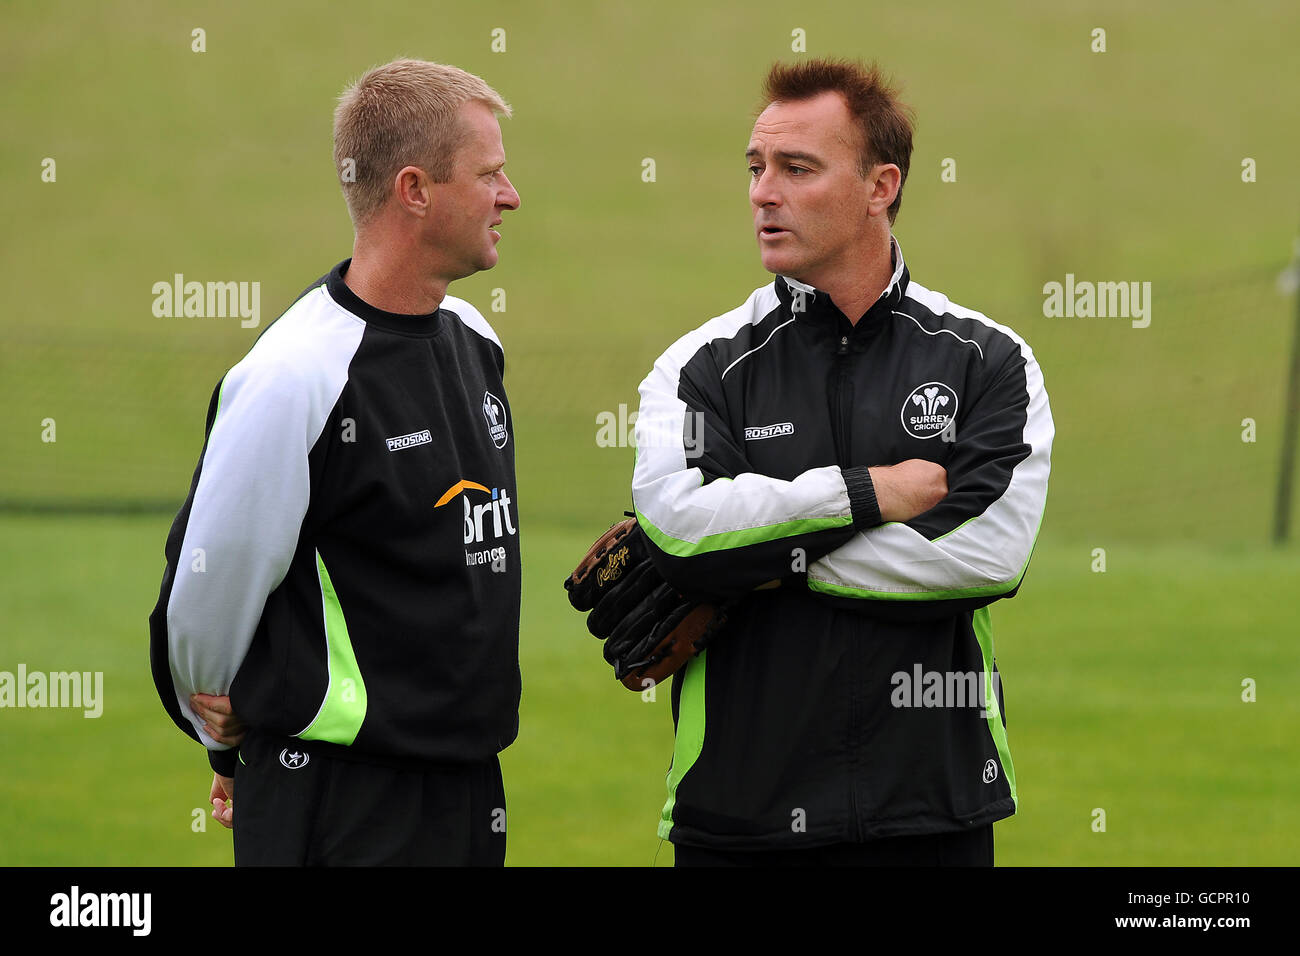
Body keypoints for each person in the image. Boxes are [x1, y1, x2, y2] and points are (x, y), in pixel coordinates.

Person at [631, 59, 1053, 866]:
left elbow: (986, 555)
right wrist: (868, 493)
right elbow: (678, 531)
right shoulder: (701, 366)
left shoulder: (988, 361)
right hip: (739, 813)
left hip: (934, 811)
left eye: (797, 169)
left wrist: (761, 555)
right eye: (756, 168)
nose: (762, 192)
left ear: (879, 185)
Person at [148, 59, 523, 866]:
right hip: (339, 804)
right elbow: (207, 587)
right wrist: (219, 730)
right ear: (416, 190)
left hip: (467, 793)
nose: (511, 196)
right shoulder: (296, 378)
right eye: (490, 174)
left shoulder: (475, 343)